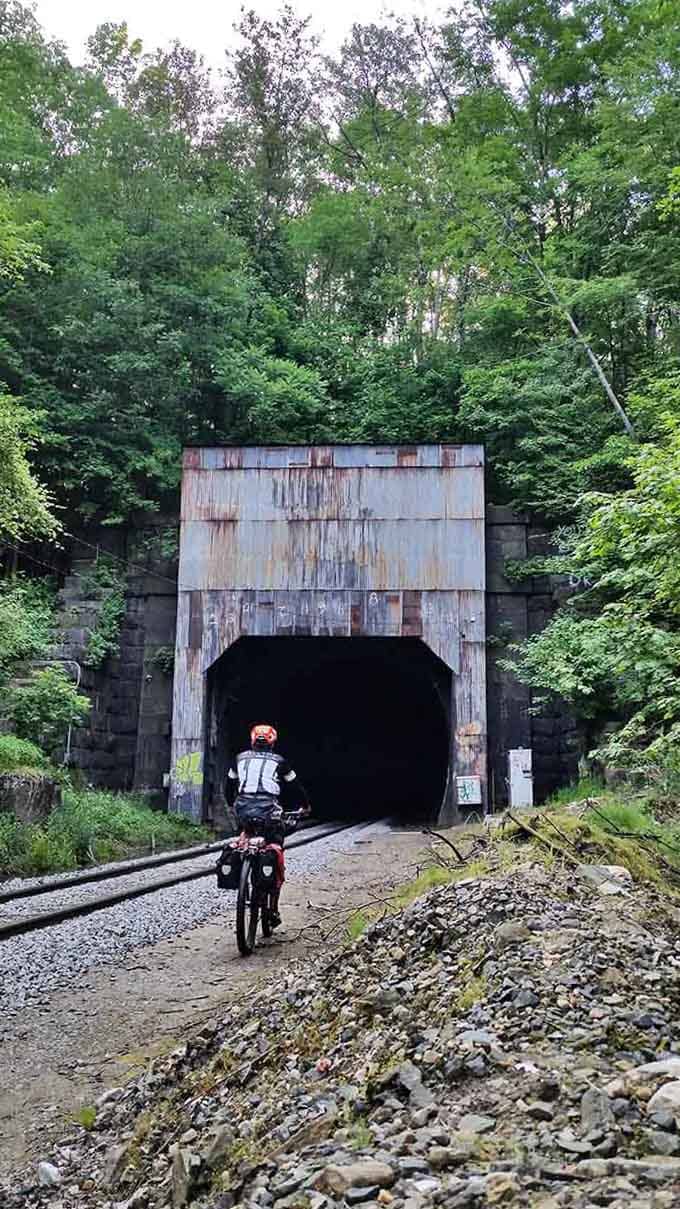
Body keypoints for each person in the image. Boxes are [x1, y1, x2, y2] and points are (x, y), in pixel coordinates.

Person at [224, 724, 309, 926]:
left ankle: (245, 868)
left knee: (245, 836)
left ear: (252, 741)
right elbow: (294, 787)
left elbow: (228, 787)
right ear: (272, 742)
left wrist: (231, 804)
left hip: (242, 810)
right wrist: (304, 806)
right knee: (275, 848)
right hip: (269, 813)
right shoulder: (280, 761)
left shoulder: (239, 759)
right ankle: (273, 907)